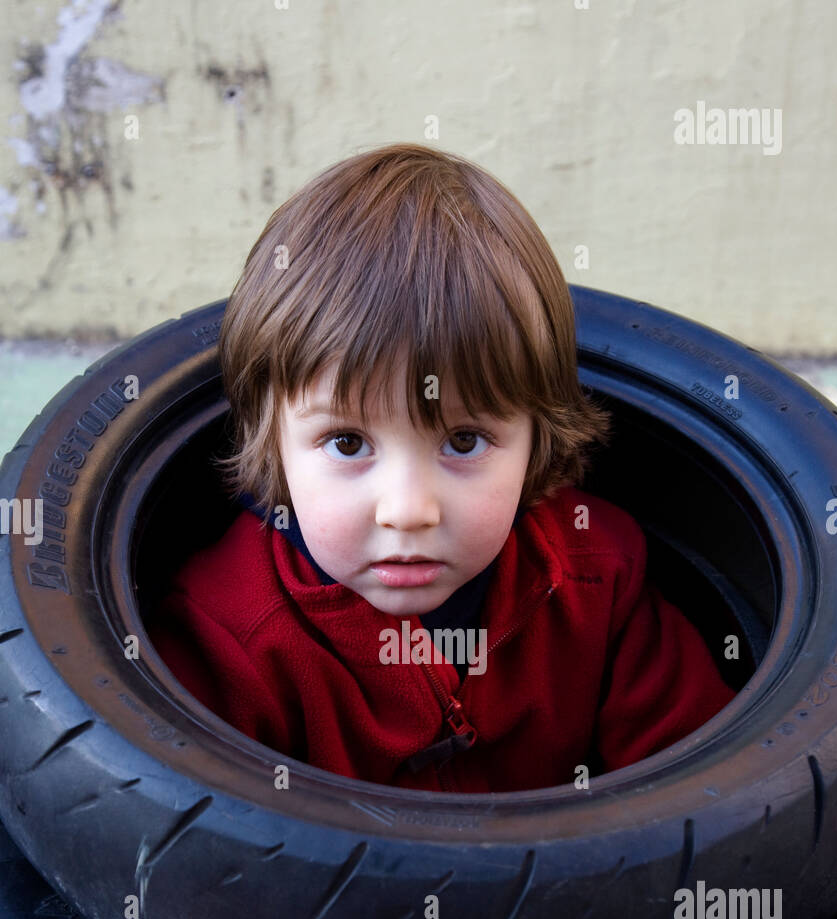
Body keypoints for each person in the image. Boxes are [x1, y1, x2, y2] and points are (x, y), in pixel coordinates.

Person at [148, 142, 735, 794]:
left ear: (537, 441)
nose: (408, 509)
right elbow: (194, 845)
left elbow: (709, 794)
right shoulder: (228, 637)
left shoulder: (597, 575)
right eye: (347, 444)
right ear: (273, 445)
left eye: (463, 442)